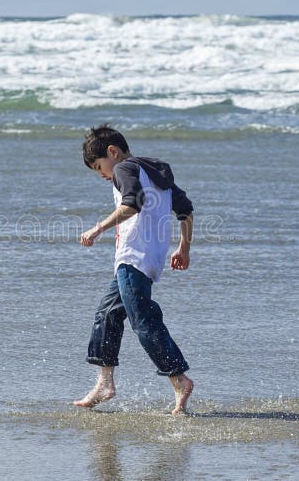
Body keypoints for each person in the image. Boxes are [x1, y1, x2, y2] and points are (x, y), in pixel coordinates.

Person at [74, 124, 194, 415]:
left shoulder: (124, 169)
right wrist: (184, 247)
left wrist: (99, 227)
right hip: (150, 259)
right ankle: (105, 382)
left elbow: (133, 204)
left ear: (112, 152)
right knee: (108, 313)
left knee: (143, 321)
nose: (103, 175)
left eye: (99, 166)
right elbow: (186, 209)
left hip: (132, 257)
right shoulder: (154, 173)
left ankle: (178, 378)